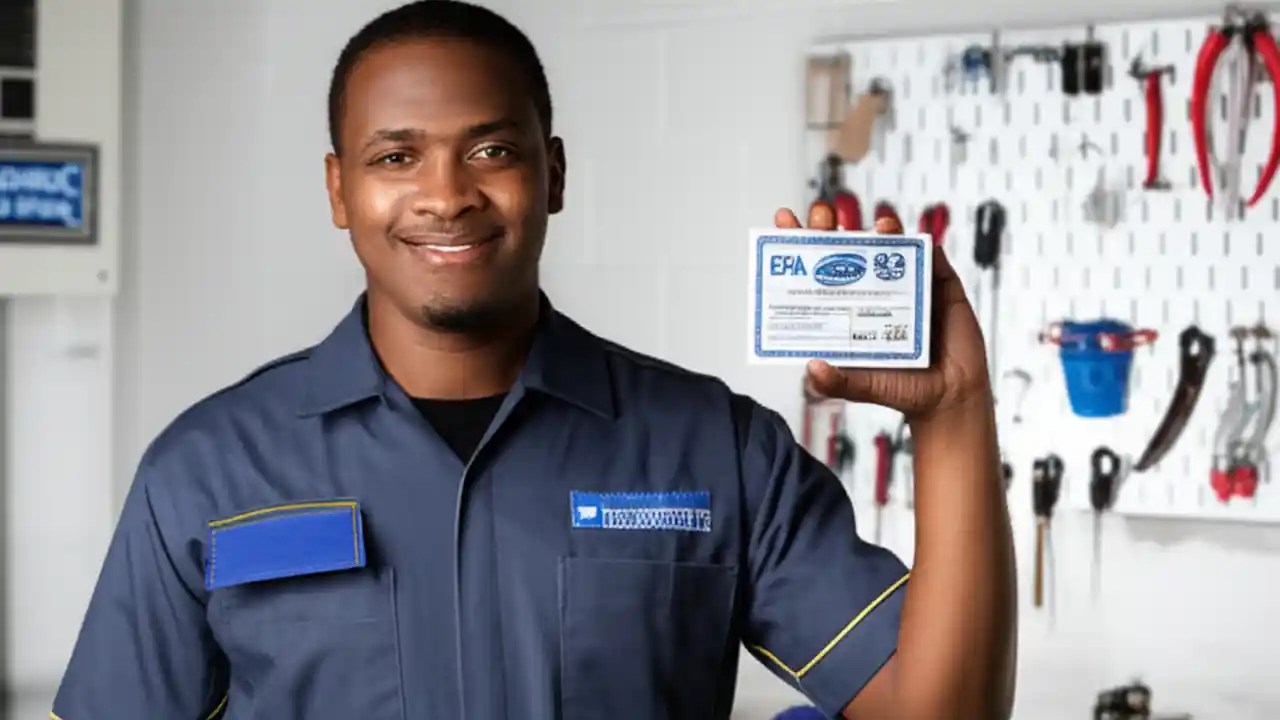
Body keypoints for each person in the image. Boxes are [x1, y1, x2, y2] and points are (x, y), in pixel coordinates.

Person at [51, 1, 1016, 718]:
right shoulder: (208, 469)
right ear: (339, 189)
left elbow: (944, 713)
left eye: (490, 151)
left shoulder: (715, 452)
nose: (445, 195)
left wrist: (956, 413)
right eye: (396, 158)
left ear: (552, 174)